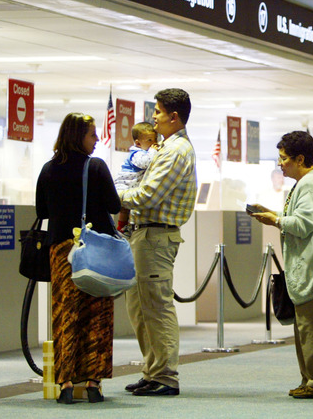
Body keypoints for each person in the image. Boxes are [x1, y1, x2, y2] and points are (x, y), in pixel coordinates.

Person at [36, 113, 120, 404]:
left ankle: (66, 383)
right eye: (92, 135)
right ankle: (94, 383)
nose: (97, 140)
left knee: (65, 315)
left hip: (61, 251)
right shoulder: (95, 167)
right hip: (94, 250)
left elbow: (42, 211)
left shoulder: (48, 169)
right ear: (77, 136)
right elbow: (114, 204)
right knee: (97, 314)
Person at [121, 89, 197, 397]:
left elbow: (147, 195)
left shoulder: (177, 150)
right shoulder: (165, 147)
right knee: (140, 307)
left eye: (158, 111)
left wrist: (114, 197)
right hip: (144, 233)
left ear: (173, 116)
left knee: (156, 305)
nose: (153, 117)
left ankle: (166, 376)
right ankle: (152, 370)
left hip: (156, 235)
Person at [251, 131, 313, 399]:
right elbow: (300, 218)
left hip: (311, 268)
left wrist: (275, 221)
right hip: (309, 266)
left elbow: (303, 224)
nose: (280, 164)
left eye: (284, 159)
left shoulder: (309, 184)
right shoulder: (307, 183)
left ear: (300, 159)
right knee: (306, 329)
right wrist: (275, 214)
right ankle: (311, 378)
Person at [114, 122, 158, 232]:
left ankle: (124, 227)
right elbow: (145, 163)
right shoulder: (137, 153)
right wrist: (153, 151)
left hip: (133, 186)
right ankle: (121, 227)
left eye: (155, 139)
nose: (154, 143)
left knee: (128, 209)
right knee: (124, 209)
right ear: (138, 143)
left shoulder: (146, 152)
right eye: (149, 140)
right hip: (125, 185)